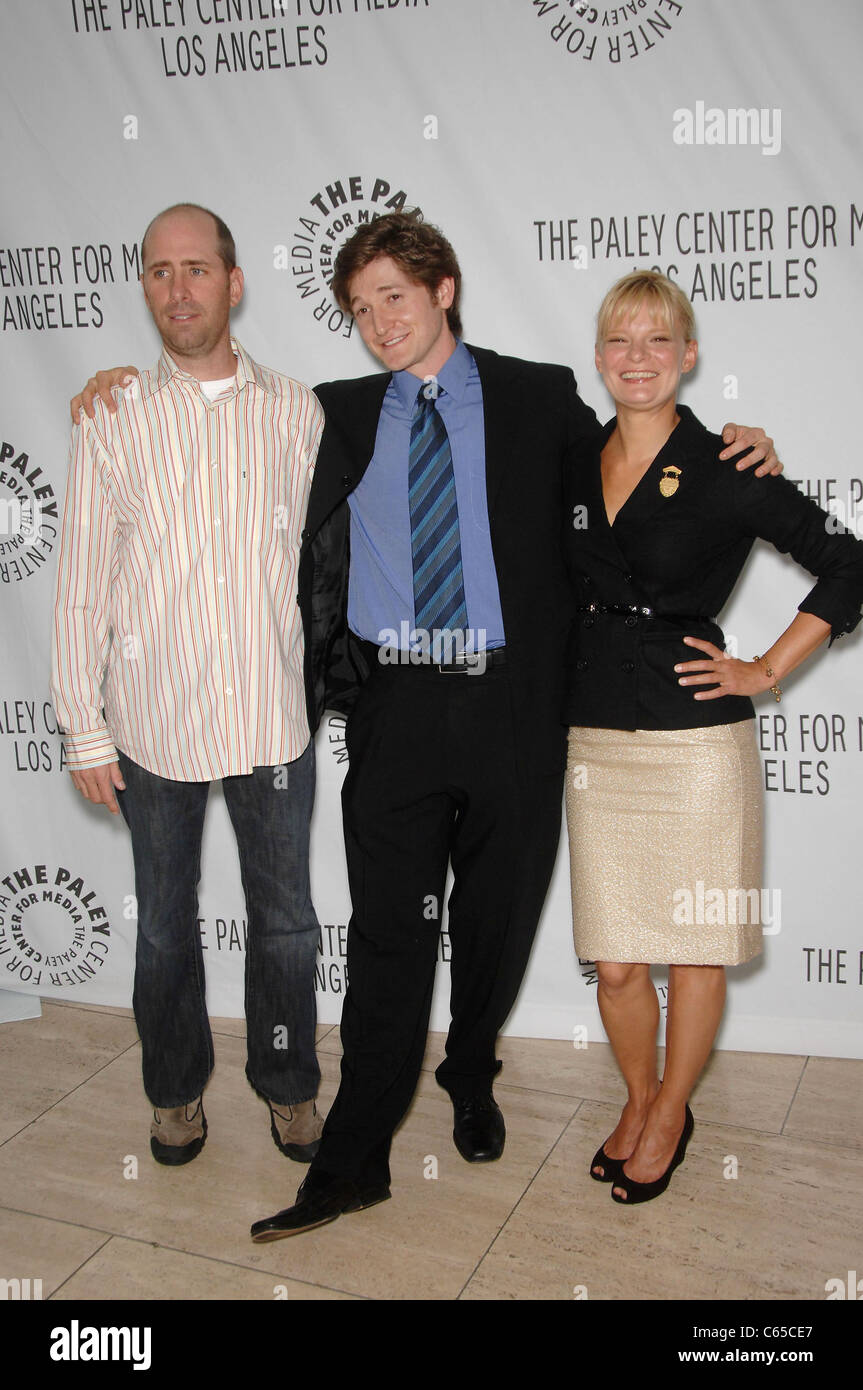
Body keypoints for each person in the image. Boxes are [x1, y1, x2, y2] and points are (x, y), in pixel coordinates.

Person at [71, 212, 778, 1236]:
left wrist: (727, 450)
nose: (377, 324)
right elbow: (216, 433)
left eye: (393, 298)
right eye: (359, 309)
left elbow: (629, 474)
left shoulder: (538, 395)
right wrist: (114, 389)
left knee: (493, 923)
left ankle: (470, 1068)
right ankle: (351, 1161)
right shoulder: (335, 411)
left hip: (515, 708)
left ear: (442, 290)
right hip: (398, 709)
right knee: (389, 942)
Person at [563, 269, 863, 1204]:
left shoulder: (732, 465)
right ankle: (645, 1095)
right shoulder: (569, 456)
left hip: (697, 745)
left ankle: (667, 1113)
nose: (638, 358)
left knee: (692, 948)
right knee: (615, 960)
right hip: (593, 738)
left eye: (659, 341)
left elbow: (846, 564)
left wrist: (766, 670)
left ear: (688, 357)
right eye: (620, 340)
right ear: (599, 356)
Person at [52, 204, 326, 1167]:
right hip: (152, 723)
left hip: (269, 717)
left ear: (233, 282)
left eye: (196, 269)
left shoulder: (299, 410)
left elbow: (320, 551)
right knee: (165, 928)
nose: (178, 289)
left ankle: (290, 1089)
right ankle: (173, 1095)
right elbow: (83, 582)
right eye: (159, 271)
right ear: (145, 287)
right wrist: (83, 729)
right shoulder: (109, 414)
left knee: (286, 923)